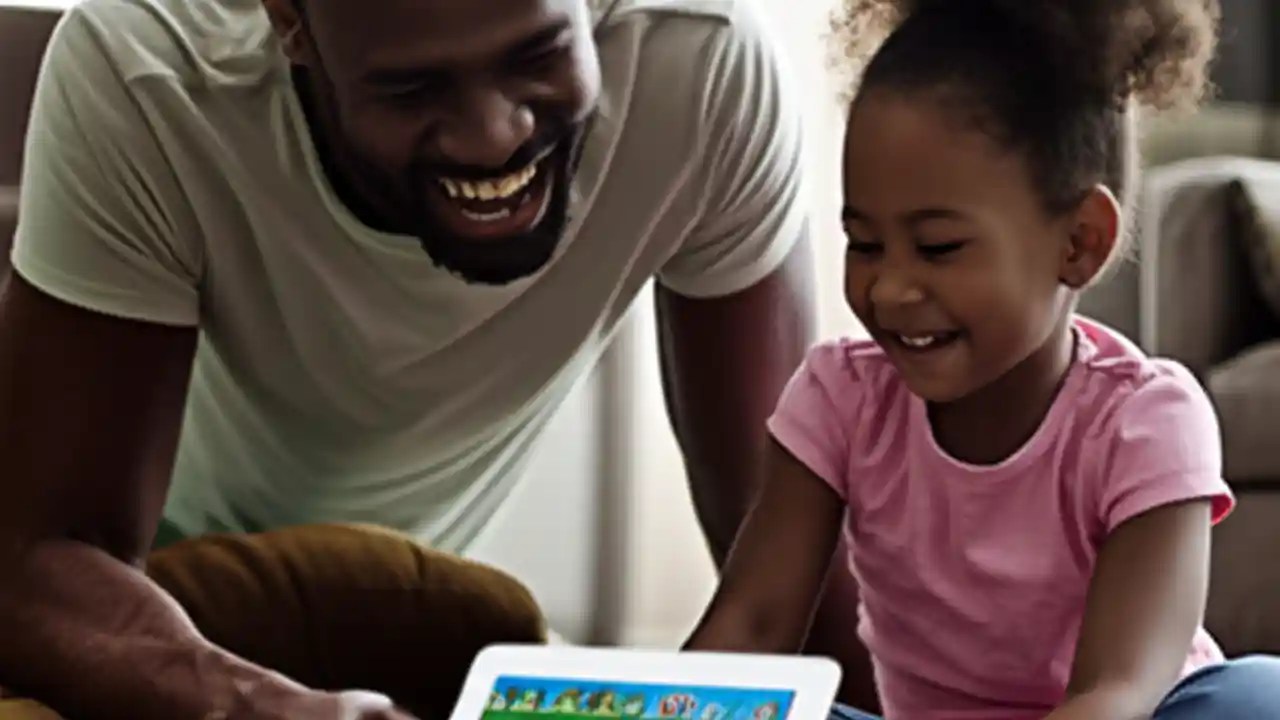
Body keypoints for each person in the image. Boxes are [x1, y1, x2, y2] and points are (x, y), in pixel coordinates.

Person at [0, 0, 850, 717]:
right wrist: (259, 705)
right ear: (288, 23)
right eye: (411, 88)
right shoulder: (143, 71)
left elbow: (793, 546)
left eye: (540, 54)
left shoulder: (703, 63)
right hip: (133, 616)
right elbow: (37, 561)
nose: (491, 138)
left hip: (401, 613)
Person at [685, 0, 1280, 718]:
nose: (892, 289)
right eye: (864, 244)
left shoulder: (1148, 422)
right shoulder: (840, 397)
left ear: (1079, 243)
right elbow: (750, 628)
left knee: (1255, 696)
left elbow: (1118, 686)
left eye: (938, 248)